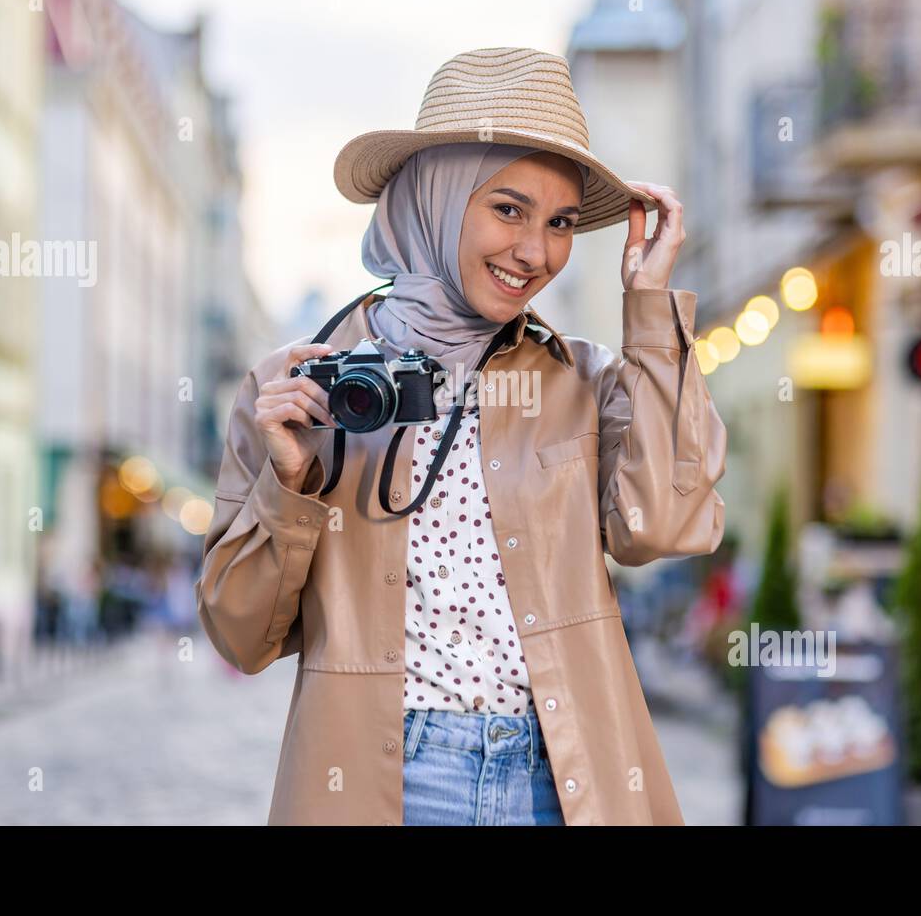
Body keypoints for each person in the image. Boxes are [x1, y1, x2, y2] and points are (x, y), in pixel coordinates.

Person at [195, 47, 727, 825]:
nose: (535, 253)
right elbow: (241, 636)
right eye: (508, 209)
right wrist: (291, 484)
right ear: (436, 200)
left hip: (564, 779)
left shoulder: (583, 379)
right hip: (390, 788)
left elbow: (667, 524)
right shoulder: (305, 385)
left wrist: (649, 312)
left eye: (561, 223)